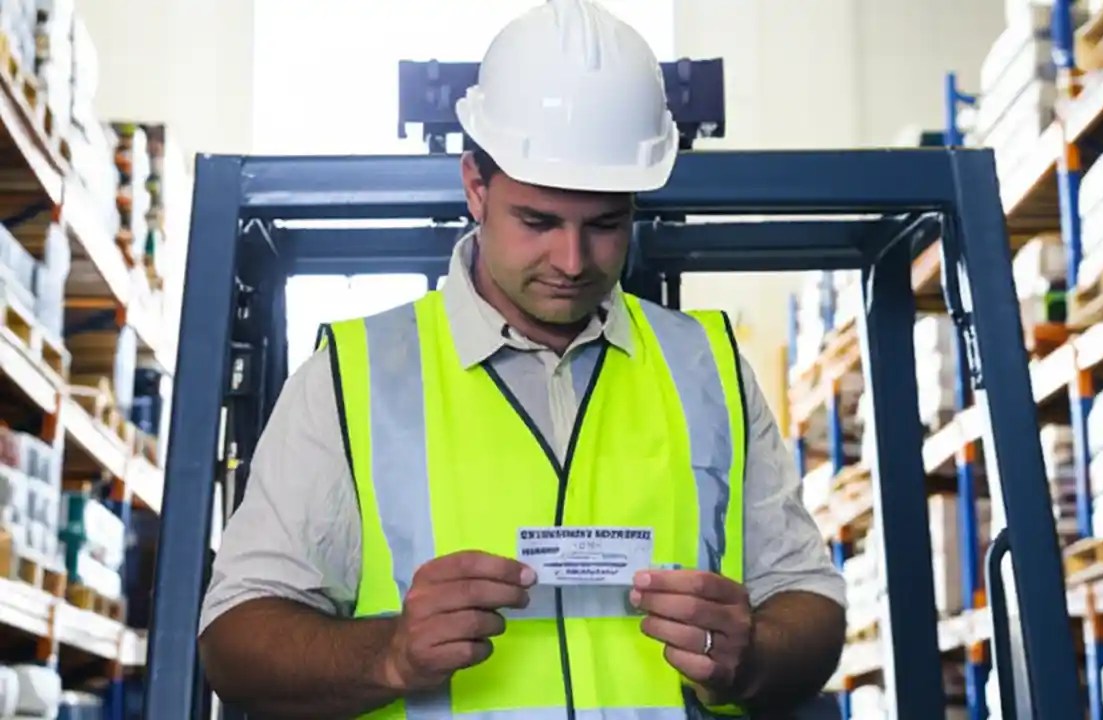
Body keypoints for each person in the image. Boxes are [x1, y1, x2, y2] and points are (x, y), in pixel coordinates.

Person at [197, 1, 847, 718]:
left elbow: (809, 600)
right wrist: (387, 654)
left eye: (605, 225)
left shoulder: (707, 366)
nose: (572, 261)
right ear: (475, 184)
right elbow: (235, 640)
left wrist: (751, 657)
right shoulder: (352, 378)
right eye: (538, 222)